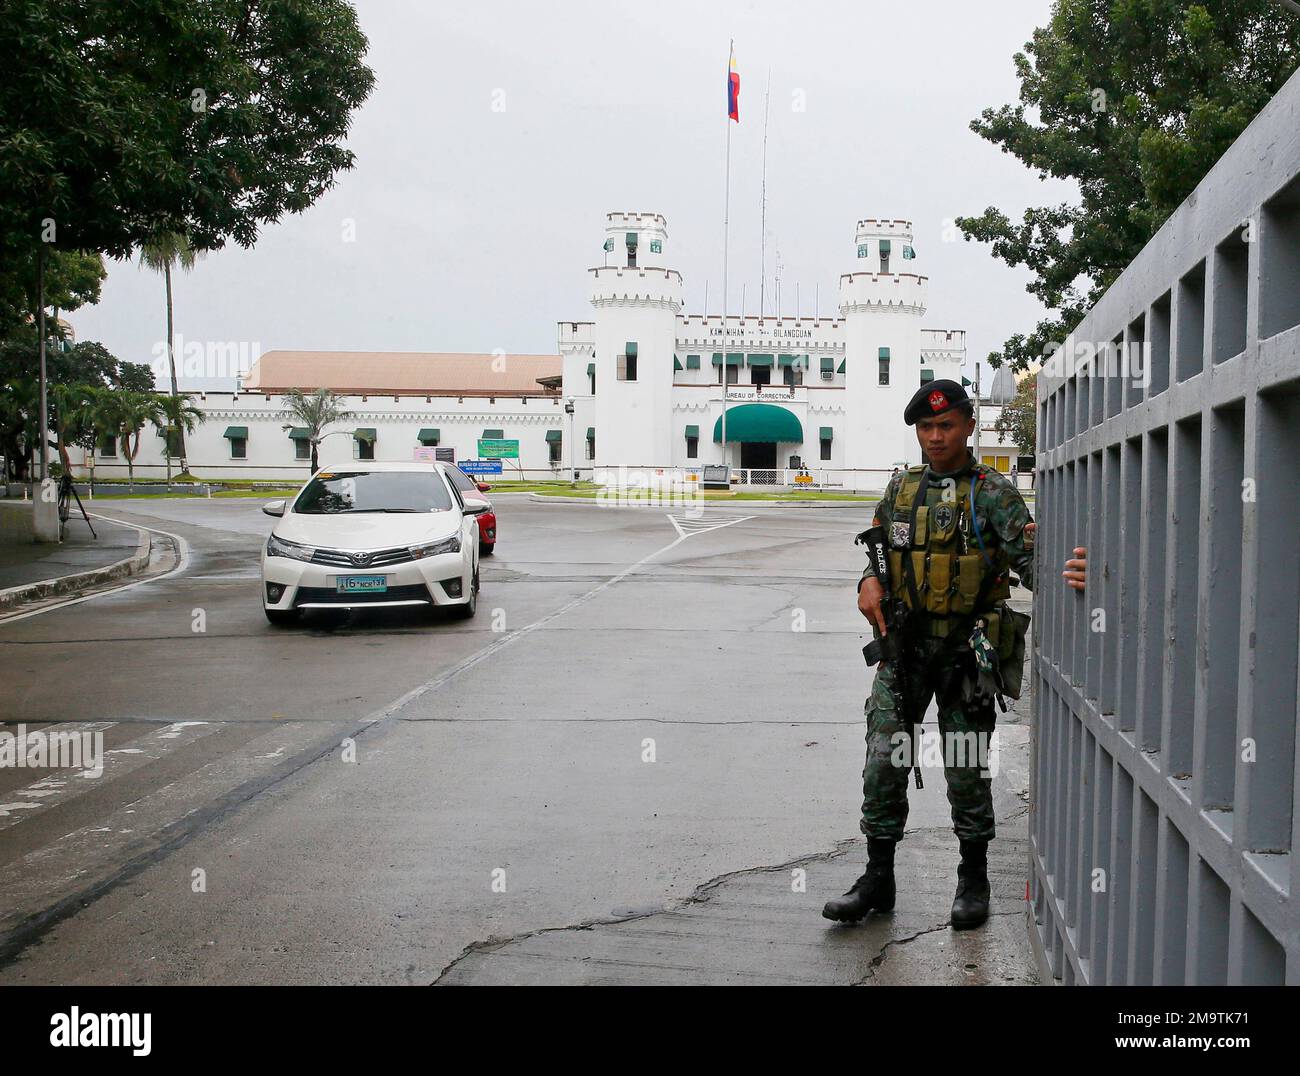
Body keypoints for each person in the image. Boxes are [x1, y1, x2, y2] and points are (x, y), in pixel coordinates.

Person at [823, 378, 1087, 929]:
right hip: (905, 649)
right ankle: (878, 877)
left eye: (945, 425)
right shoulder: (900, 490)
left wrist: (1072, 577)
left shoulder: (993, 493)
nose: (936, 436)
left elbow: (1033, 564)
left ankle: (972, 876)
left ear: (969, 425)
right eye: (926, 427)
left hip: (968, 652)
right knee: (883, 761)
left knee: (966, 764)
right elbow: (879, 554)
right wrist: (866, 582)